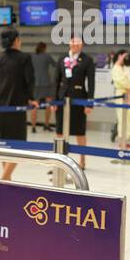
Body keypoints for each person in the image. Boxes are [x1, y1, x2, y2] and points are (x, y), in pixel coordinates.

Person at [0, 28, 35, 180]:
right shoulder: (25, 58)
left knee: (2, 143)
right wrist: (32, 98)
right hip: (17, 106)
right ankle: (4, 179)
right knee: (19, 144)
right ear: (16, 40)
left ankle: (6, 179)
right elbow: (29, 80)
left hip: (0, 106)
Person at [56, 36, 95, 170]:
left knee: (80, 132)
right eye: (73, 41)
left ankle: (82, 162)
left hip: (79, 98)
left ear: (82, 44)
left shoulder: (87, 60)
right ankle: (59, 162)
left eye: (78, 42)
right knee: (60, 132)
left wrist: (89, 103)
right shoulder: (62, 58)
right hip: (63, 99)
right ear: (69, 42)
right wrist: (55, 100)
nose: (75, 44)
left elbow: (91, 83)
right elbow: (56, 80)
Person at [111, 50, 130, 148]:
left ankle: (126, 140)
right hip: (122, 95)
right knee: (123, 118)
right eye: (124, 56)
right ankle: (121, 141)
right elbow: (121, 81)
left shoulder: (127, 67)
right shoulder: (116, 67)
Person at [30, 41, 58, 132]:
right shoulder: (47, 56)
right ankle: (46, 124)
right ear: (44, 48)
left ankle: (33, 127)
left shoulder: (32, 57)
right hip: (46, 84)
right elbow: (55, 65)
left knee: (34, 106)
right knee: (48, 105)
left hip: (35, 84)